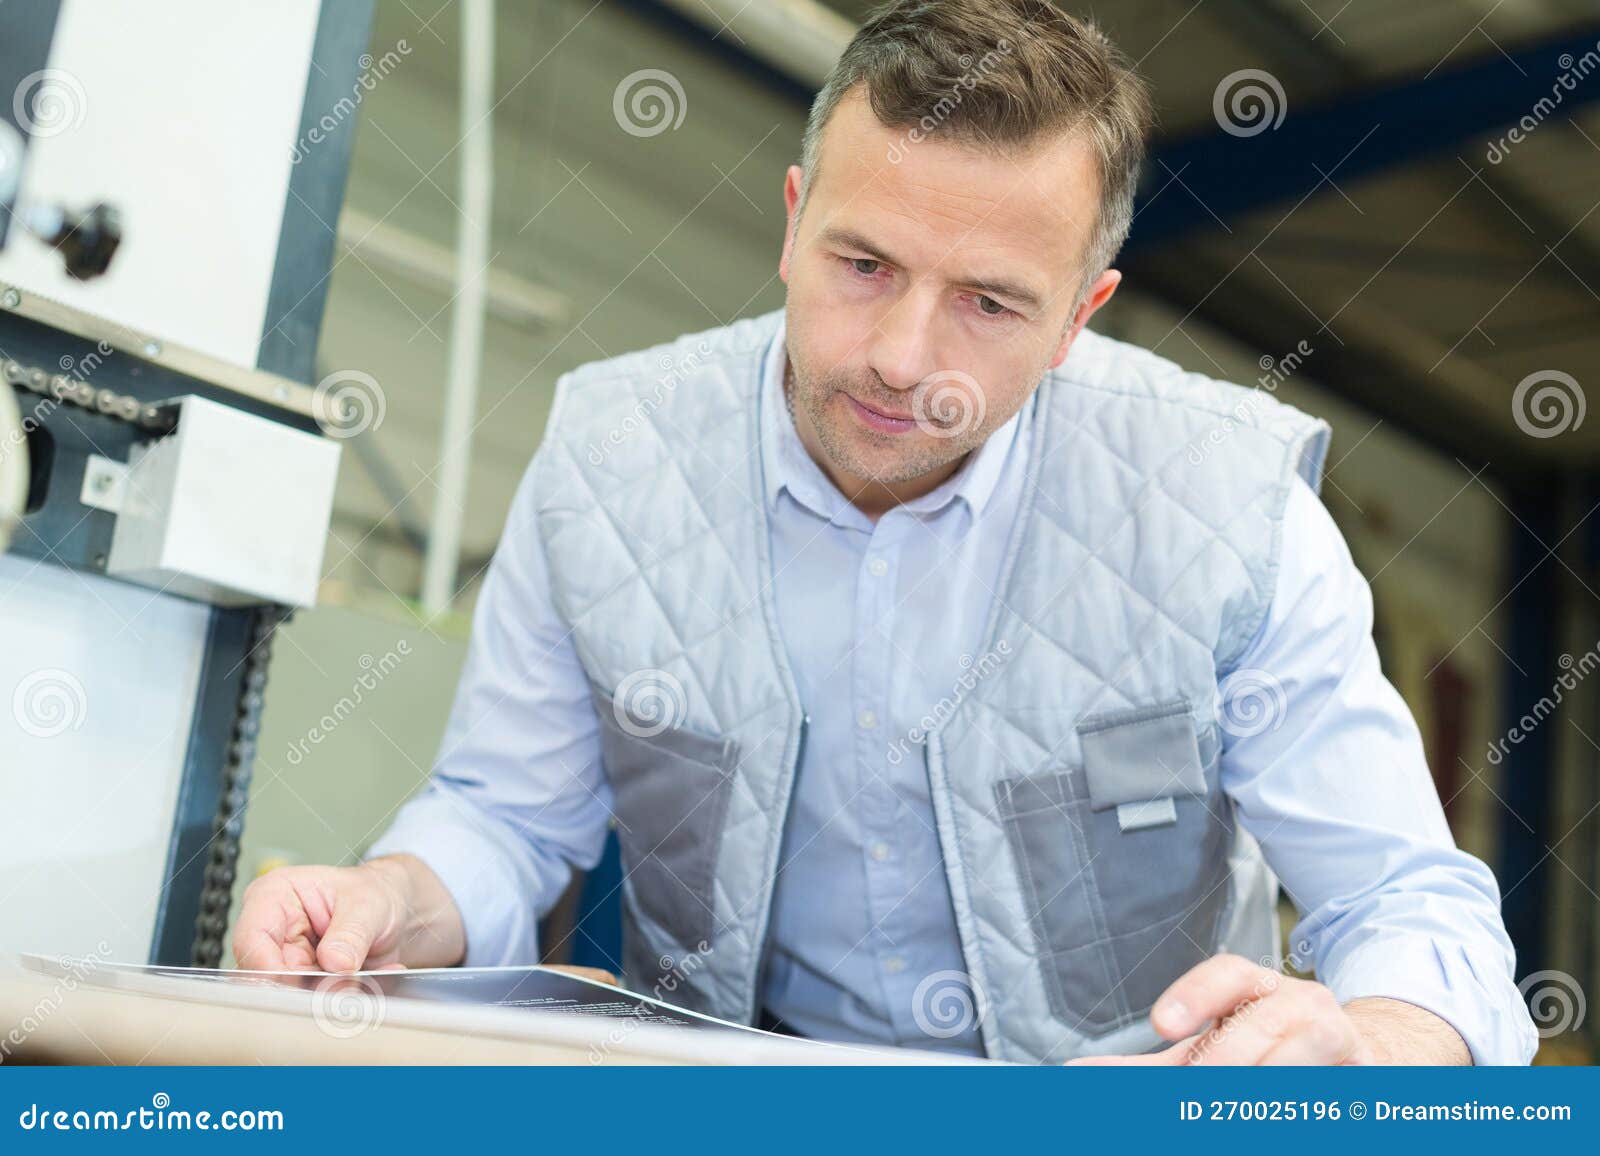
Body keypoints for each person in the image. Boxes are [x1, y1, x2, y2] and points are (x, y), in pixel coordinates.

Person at [234, 0, 1536, 1065]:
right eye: (863, 265)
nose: (903, 359)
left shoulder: (1230, 504)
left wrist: (1373, 1039)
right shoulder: (611, 456)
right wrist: (388, 903)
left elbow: (1405, 903)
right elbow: (507, 815)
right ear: (794, 222)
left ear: (1084, 312)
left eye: (989, 302)